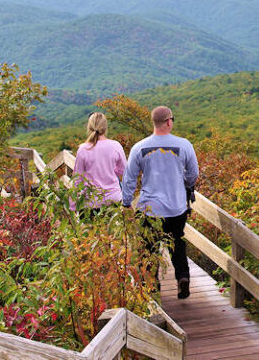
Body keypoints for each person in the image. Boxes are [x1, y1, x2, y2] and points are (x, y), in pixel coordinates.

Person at [122, 106, 198, 299]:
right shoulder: (184, 145)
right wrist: (185, 184)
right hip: (177, 207)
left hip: (149, 209)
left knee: (149, 247)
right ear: (169, 122)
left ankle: (151, 288)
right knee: (177, 242)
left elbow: (129, 178)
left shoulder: (139, 147)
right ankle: (182, 277)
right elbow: (193, 174)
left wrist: (126, 202)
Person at [71, 112, 127, 212]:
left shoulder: (83, 149)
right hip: (113, 199)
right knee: (112, 228)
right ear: (105, 128)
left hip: (90, 202)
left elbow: (77, 178)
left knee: (91, 228)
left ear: (89, 127)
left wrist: (73, 205)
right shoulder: (116, 145)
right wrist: (109, 170)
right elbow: (124, 171)